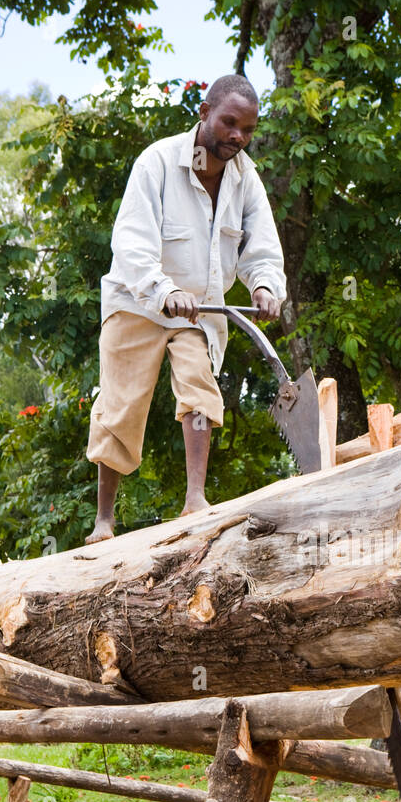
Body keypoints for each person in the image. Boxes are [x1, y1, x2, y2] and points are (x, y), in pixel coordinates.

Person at [85, 73, 287, 543]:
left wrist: (264, 286)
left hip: (198, 309)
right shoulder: (157, 162)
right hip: (137, 301)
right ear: (204, 113)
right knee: (120, 404)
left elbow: (262, 246)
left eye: (248, 130)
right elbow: (131, 241)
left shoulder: (245, 179)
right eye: (230, 123)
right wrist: (161, 289)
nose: (238, 136)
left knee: (199, 386)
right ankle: (104, 521)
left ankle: (194, 499)